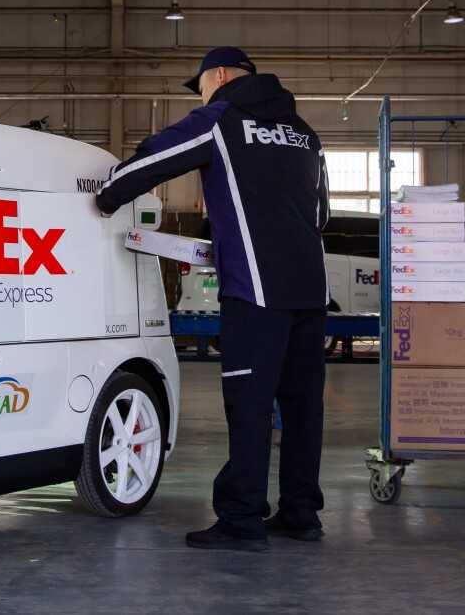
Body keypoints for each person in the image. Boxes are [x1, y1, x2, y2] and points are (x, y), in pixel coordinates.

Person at [95, 46, 330, 552]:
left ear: (219, 75)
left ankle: (242, 520)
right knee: (302, 405)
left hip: (255, 290)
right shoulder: (305, 133)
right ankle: (301, 514)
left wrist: (107, 193)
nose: (200, 92)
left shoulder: (222, 118)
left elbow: (155, 160)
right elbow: (322, 214)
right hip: (311, 289)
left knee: (249, 406)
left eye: (199, 83)